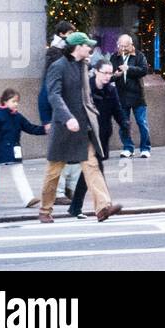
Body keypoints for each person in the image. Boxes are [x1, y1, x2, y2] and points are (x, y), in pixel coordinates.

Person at [39, 34, 121, 224]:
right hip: (63, 127)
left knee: (92, 166)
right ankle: (45, 210)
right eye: (87, 46)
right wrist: (67, 118)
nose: (90, 49)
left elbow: (86, 94)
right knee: (53, 172)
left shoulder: (83, 65)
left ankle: (103, 207)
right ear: (77, 47)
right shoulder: (57, 67)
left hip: (83, 127)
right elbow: (54, 95)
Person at [68, 59, 131, 219]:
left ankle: (75, 207)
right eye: (105, 73)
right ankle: (103, 207)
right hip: (87, 136)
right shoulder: (86, 88)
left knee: (89, 171)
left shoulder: (111, 90)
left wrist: (124, 122)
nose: (107, 76)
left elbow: (117, 110)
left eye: (110, 73)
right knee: (96, 169)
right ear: (96, 71)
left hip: (102, 137)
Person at [0, 89, 45, 209]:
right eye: (13, 101)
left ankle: (28, 198)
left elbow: (30, 128)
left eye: (17, 101)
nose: (16, 104)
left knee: (19, 174)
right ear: (5, 101)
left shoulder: (17, 117)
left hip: (13, 150)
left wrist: (45, 129)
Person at [37, 21, 77, 205]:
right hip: (59, 119)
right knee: (59, 158)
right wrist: (46, 120)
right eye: (69, 33)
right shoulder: (56, 58)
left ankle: (67, 189)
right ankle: (58, 193)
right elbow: (46, 94)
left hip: (67, 118)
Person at [111, 34, 152, 159]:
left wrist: (129, 68)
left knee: (142, 122)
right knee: (124, 123)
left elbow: (144, 70)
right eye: (120, 46)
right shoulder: (115, 57)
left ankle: (145, 148)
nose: (122, 48)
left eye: (125, 46)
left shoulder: (139, 56)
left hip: (137, 95)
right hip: (121, 95)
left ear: (131, 45)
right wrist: (116, 76)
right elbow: (109, 74)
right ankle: (128, 147)